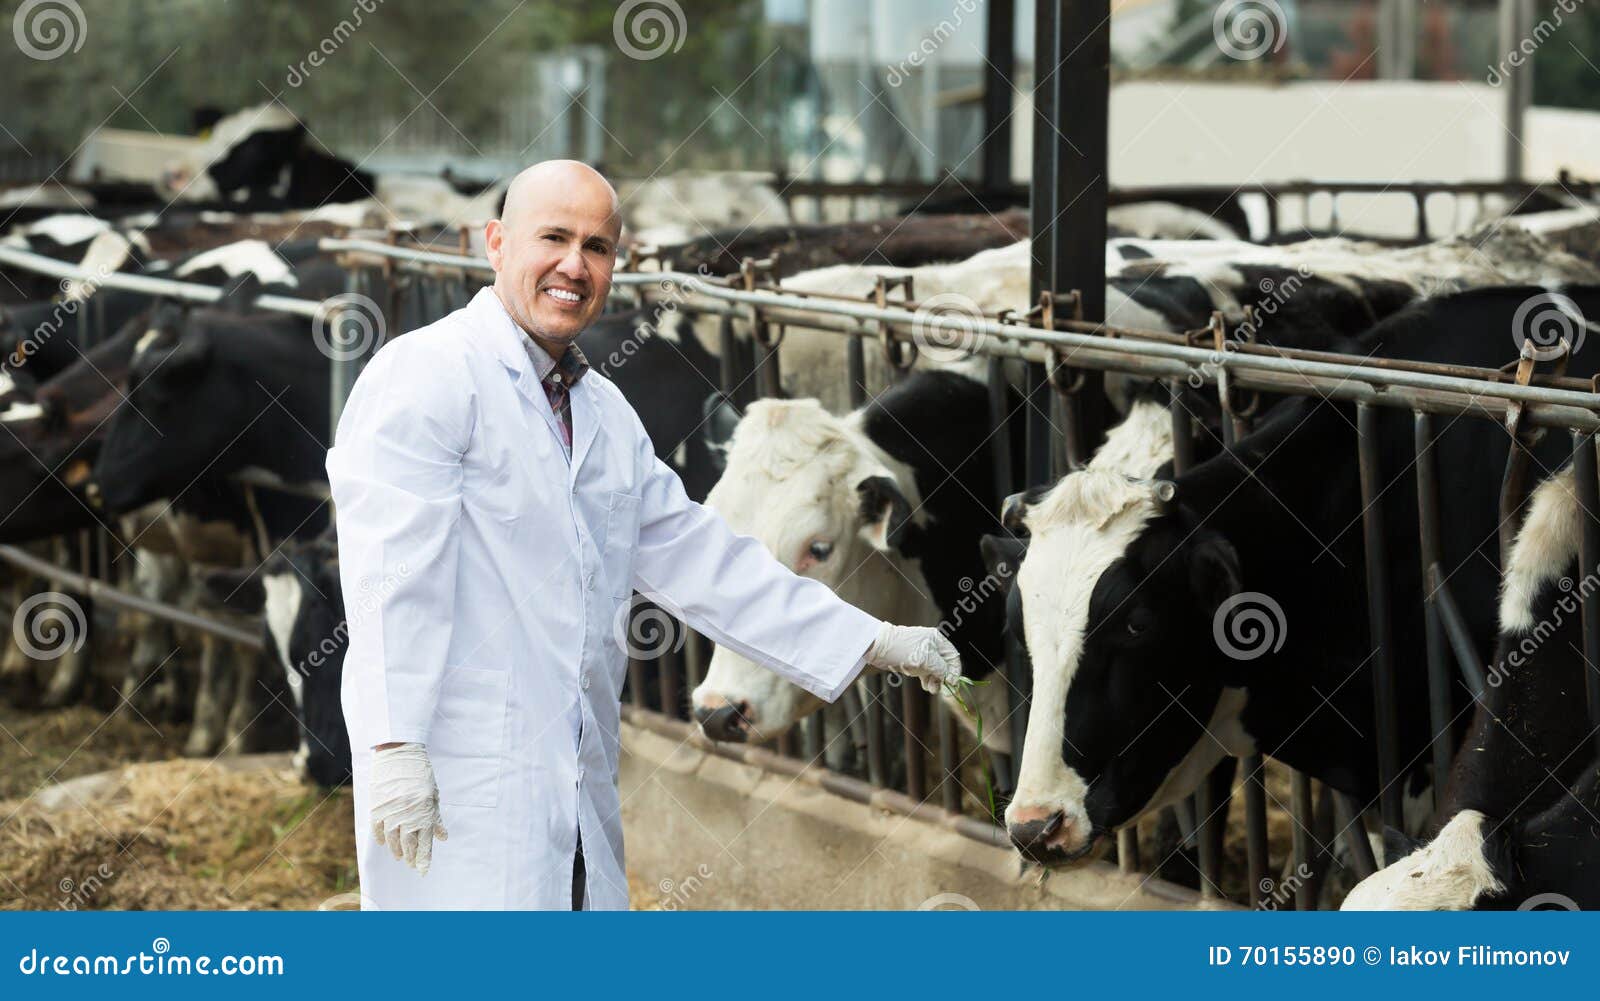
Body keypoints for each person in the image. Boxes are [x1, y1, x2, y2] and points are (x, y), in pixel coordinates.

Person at [327, 160, 963, 910]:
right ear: (496, 242)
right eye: (553, 237)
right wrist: (394, 743)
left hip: (571, 781)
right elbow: (390, 575)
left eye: (596, 246)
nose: (574, 264)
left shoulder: (601, 411)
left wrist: (869, 639)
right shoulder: (426, 375)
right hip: (455, 773)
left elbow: (705, 559)